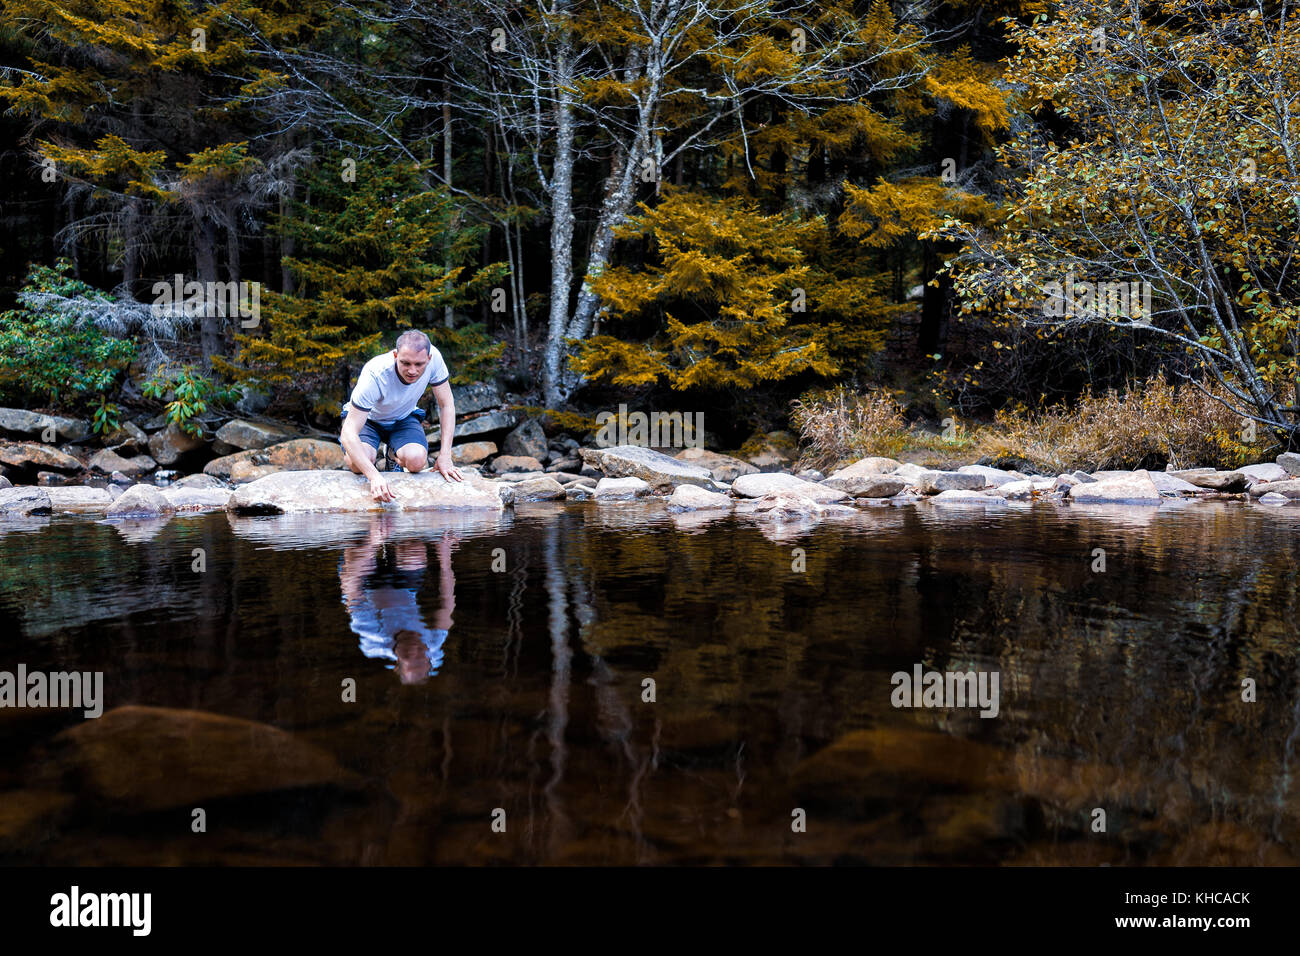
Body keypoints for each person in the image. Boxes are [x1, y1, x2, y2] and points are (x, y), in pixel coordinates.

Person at [339, 329, 464, 502]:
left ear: (428, 358)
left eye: (419, 365)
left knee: (417, 461)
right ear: (395, 355)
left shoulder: (435, 358)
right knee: (358, 464)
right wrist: (374, 477)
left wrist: (445, 456)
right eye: (406, 363)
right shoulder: (376, 374)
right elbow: (348, 433)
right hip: (368, 420)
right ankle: (376, 463)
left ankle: (391, 456)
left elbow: (446, 404)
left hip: (403, 417)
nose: (412, 370)